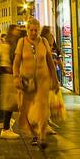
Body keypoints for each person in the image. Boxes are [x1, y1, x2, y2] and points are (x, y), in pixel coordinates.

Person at [14, 18, 57, 150]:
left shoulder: (44, 42)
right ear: (27, 30)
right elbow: (16, 63)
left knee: (43, 106)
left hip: (43, 79)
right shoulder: (21, 42)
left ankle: (42, 136)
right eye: (31, 30)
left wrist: (55, 79)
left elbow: (50, 62)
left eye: (36, 30)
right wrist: (16, 77)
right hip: (27, 80)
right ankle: (34, 134)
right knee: (25, 108)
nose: (33, 32)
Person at [0, 24, 24, 139]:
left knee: (10, 103)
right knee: (9, 103)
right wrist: (14, 70)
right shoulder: (7, 45)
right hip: (9, 76)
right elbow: (4, 63)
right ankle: (5, 128)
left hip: (12, 75)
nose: (18, 33)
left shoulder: (15, 44)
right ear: (11, 32)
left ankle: (6, 127)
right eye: (16, 31)